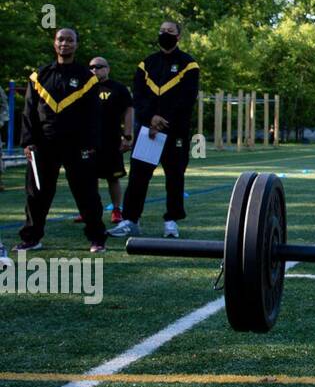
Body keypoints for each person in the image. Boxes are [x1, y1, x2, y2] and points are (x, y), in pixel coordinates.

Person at [16, 27, 107, 253]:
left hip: (78, 146)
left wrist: (91, 145)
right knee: (36, 193)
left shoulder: (87, 78)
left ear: (76, 44)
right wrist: (28, 142)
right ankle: (32, 238)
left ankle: (97, 238)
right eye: (60, 39)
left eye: (69, 40)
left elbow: (94, 115)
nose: (64, 43)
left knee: (86, 193)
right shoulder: (40, 76)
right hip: (43, 145)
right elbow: (29, 111)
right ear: (54, 43)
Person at [109, 20, 200, 239]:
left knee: (175, 177)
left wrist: (163, 120)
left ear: (178, 36)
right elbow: (139, 97)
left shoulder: (189, 64)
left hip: (175, 130)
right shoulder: (146, 64)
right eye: (161, 31)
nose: (165, 34)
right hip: (148, 131)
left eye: (170, 31)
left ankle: (171, 221)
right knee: (139, 176)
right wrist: (151, 120)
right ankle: (131, 220)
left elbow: (187, 98)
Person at [84, 57, 132, 226]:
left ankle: (117, 209)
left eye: (99, 66)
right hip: (88, 140)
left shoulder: (118, 89)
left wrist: (127, 136)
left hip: (111, 140)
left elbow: (128, 111)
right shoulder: (83, 88)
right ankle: (89, 211)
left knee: (113, 177)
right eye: (91, 67)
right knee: (89, 177)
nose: (94, 70)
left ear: (107, 69)